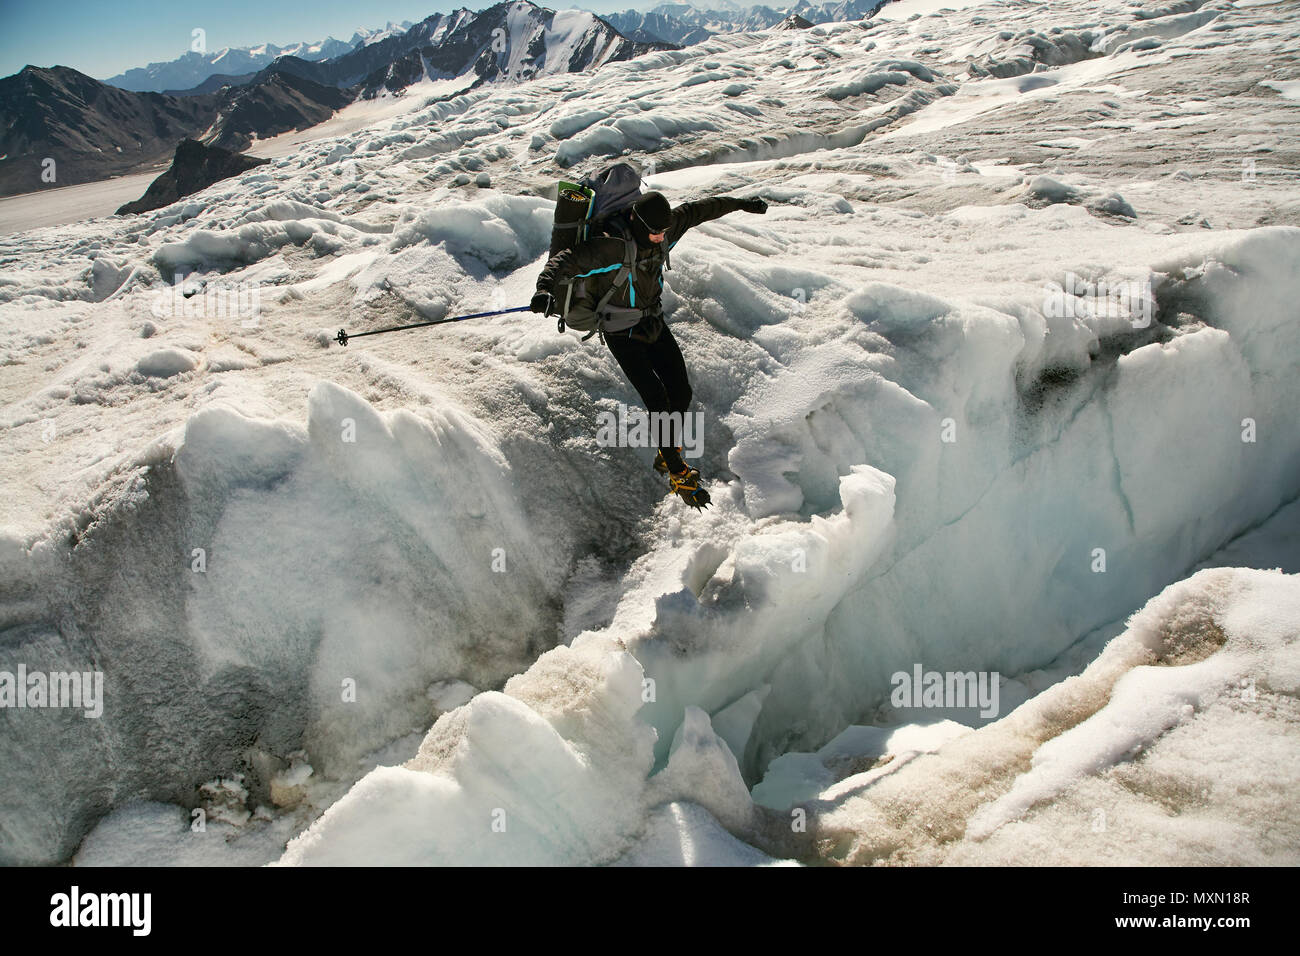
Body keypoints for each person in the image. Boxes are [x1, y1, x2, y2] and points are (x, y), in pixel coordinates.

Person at [530, 190, 768, 507]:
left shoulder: (665, 229)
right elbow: (567, 260)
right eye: (654, 233)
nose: (659, 238)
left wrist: (741, 202)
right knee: (656, 398)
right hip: (621, 331)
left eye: (662, 232)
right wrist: (544, 289)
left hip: (652, 322)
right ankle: (678, 472)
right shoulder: (610, 246)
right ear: (636, 222)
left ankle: (666, 451)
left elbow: (701, 209)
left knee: (680, 392)